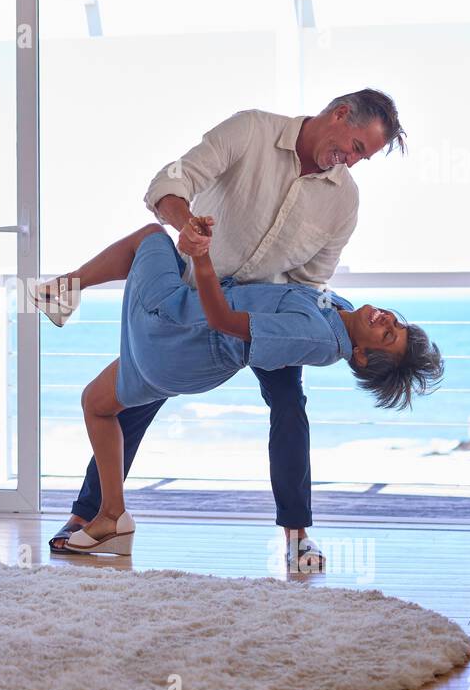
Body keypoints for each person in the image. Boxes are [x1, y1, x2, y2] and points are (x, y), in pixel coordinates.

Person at [43, 90, 408, 569]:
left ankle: (297, 537)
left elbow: (312, 278)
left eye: (363, 157)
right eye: (357, 147)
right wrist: (186, 225)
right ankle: (91, 511)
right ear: (340, 114)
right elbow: (172, 181)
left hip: (268, 312)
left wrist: (302, 329)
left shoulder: (344, 199)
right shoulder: (253, 130)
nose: (353, 162)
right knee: (138, 395)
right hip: (197, 288)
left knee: (289, 404)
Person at [32, 220, 443, 556]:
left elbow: (226, 323)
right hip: (176, 355)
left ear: (362, 359)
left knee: (151, 237)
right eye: (397, 323)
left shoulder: (316, 338)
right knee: (95, 403)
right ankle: (110, 515)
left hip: (178, 333)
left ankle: (63, 291)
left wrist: (203, 259)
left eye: (389, 336)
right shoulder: (342, 310)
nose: (389, 321)